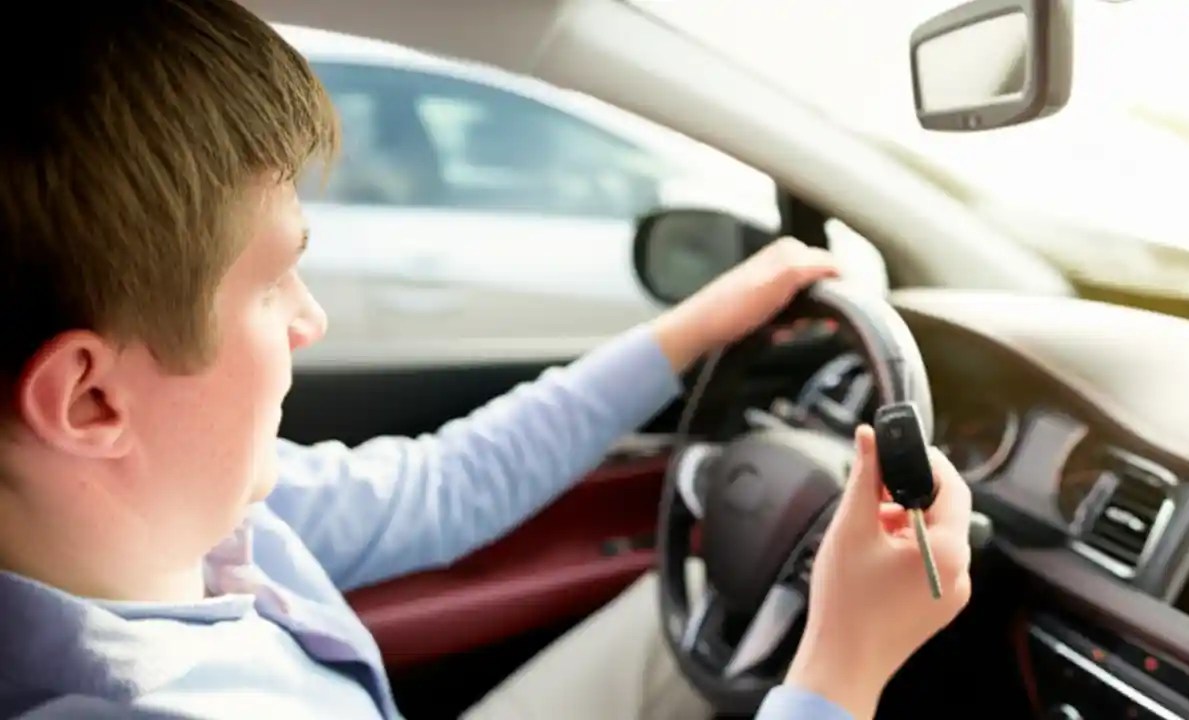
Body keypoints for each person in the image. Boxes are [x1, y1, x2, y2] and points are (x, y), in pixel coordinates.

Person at [0, 2, 973, 719]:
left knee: (664, 628)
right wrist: (839, 668)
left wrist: (689, 333)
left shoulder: (205, 521)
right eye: (268, 286)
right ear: (90, 402)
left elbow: (441, 485)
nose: (310, 320)